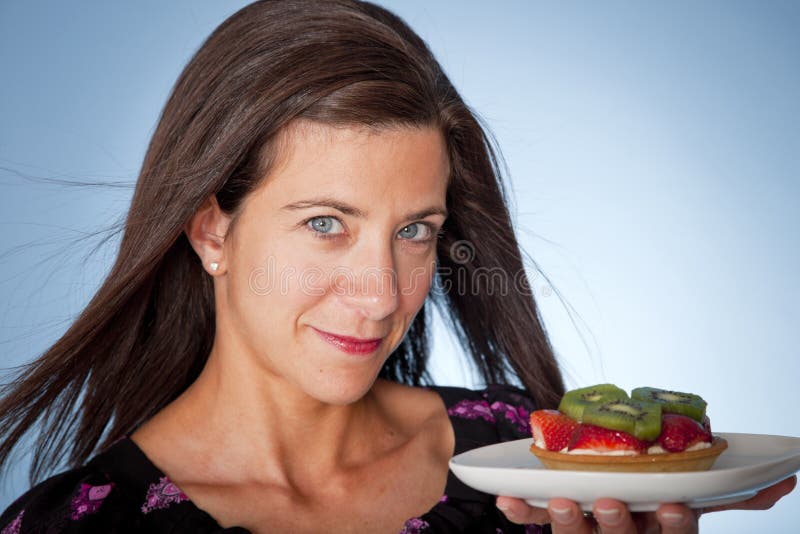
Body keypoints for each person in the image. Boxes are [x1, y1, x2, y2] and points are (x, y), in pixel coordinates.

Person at [0, 1, 794, 532]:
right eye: (325, 224)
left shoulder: (519, 467)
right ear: (212, 231)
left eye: (415, 230)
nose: (381, 294)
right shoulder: (71, 524)